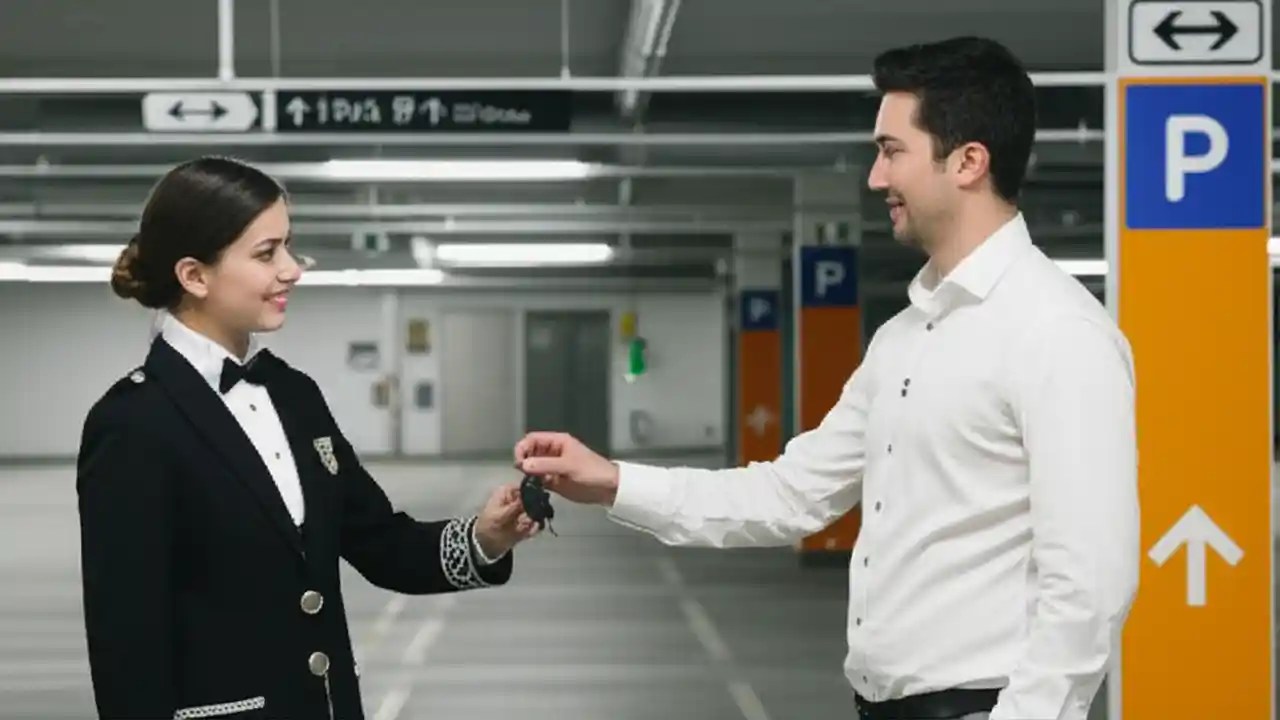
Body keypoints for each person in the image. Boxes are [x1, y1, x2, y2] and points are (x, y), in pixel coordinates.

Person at [515, 36, 1139, 720]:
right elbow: (791, 495)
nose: (875, 178)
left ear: (967, 162)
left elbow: (1090, 577)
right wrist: (612, 481)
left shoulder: (1056, 332)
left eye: (891, 150)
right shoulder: (903, 340)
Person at [77, 156, 540, 720]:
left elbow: (380, 543)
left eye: (288, 247)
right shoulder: (132, 423)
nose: (292, 269)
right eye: (266, 253)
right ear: (194, 275)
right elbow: (127, 641)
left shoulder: (294, 395)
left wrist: (484, 538)